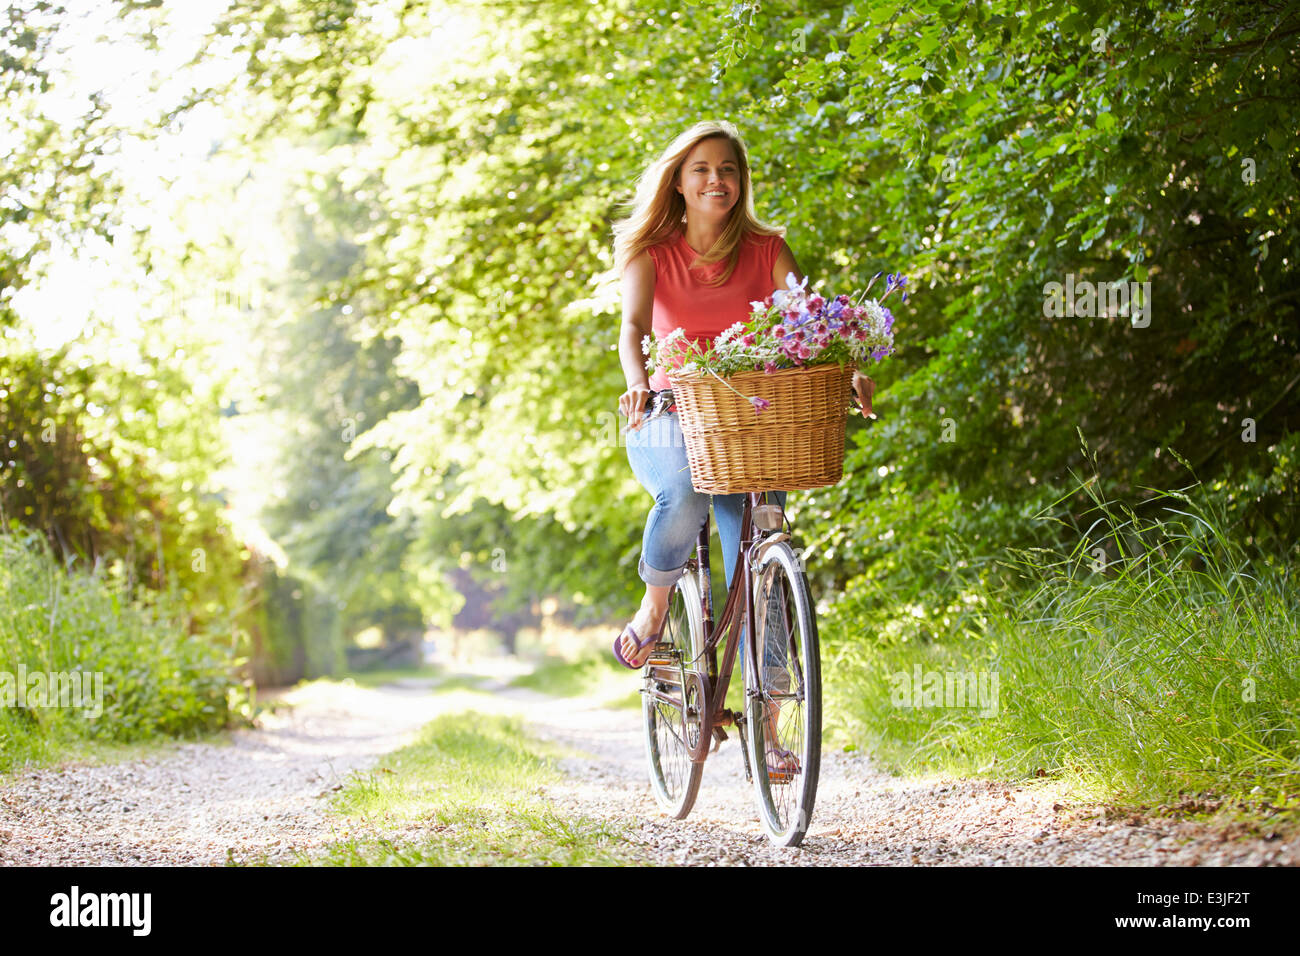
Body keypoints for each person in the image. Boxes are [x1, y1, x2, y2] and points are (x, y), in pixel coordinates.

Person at [609, 120, 872, 778]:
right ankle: (657, 603)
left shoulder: (766, 248)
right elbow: (634, 329)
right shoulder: (652, 253)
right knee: (685, 490)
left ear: (741, 180)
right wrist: (640, 384)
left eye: (727, 169)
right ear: (679, 179)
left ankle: (770, 731)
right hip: (670, 412)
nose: (716, 181)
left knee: (763, 559)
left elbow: (807, 323)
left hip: (750, 421)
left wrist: (850, 365)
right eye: (701, 169)